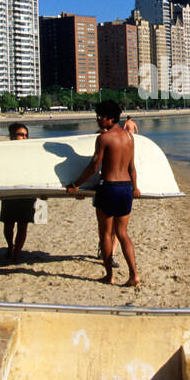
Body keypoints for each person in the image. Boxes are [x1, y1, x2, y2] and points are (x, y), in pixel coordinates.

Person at [67, 101, 140, 287]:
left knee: (106, 235)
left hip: (108, 188)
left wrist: (75, 184)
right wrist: (136, 187)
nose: (98, 120)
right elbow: (132, 167)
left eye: (101, 117)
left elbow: (93, 167)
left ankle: (109, 276)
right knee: (123, 233)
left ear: (111, 118)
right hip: (126, 188)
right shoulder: (129, 138)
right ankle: (133, 275)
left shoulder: (103, 139)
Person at [0, 123, 37, 262]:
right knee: (8, 225)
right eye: (21, 135)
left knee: (23, 225)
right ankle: (10, 246)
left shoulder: (31, 152)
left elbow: (37, 170)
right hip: (9, 191)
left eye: (26, 135)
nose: (24, 137)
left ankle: (16, 253)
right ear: (12, 136)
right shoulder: (4, 151)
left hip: (27, 191)